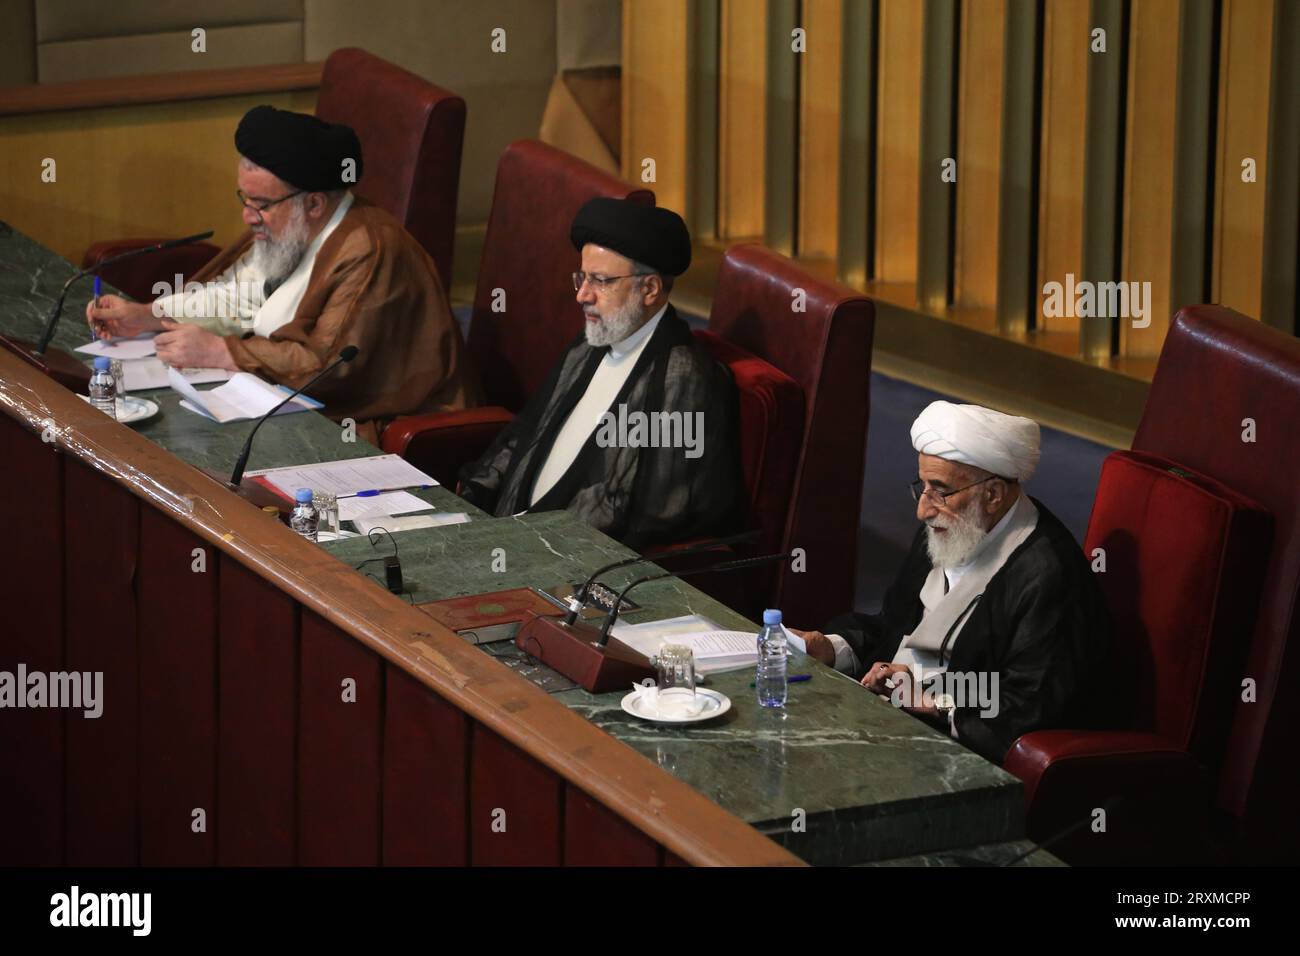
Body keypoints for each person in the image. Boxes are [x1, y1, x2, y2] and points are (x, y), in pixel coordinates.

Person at [86, 105, 479, 444]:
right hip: (286, 408)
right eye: (245, 198)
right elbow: (236, 297)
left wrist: (222, 352)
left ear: (313, 203)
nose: (247, 214)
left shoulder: (369, 251)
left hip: (382, 429)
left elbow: (327, 365)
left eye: (261, 203)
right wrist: (145, 315)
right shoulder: (289, 229)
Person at [792, 401, 1112, 763]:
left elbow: (1029, 702)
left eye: (940, 490)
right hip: (889, 715)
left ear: (992, 495)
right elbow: (894, 627)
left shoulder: (1048, 577)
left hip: (957, 754)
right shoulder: (948, 527)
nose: (923, 509)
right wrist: (832, 647)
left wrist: (933, 700)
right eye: (923, 486)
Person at [457, 197, 741, 549]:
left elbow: (655, 512)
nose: (582, 295)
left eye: (601, 281)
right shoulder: (589, 343)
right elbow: (527, 435)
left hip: (568, 568)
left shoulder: (682, 376)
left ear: (649, 289)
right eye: (581, 277)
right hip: (510, 542)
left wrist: (528, 544)